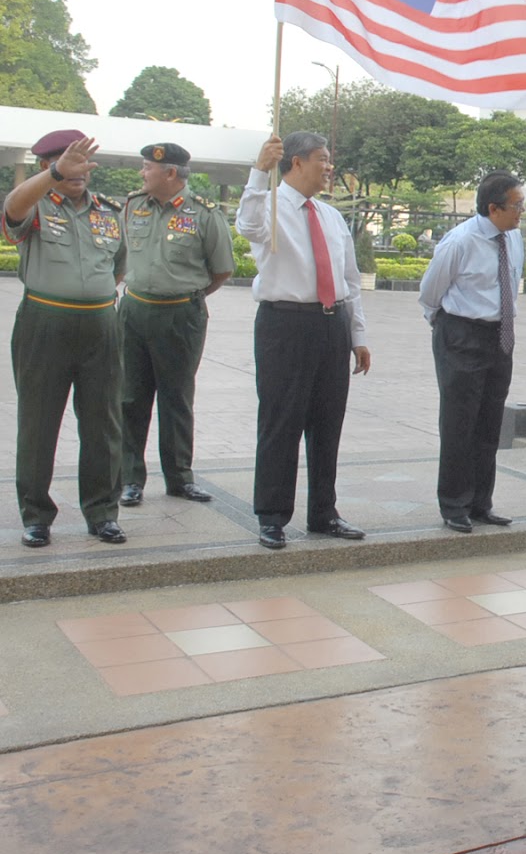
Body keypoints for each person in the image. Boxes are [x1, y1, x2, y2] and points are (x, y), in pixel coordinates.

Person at [234, 132, 371, 550]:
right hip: (285, 326)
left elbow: (349, 279)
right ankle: (272, 515)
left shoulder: (330, 216)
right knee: (281, 422)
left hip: (331, 324)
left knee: (328, 423)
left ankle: (324, 512)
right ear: (295, 162)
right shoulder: (270, 206)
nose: (329, 167)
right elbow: (247, 225)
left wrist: (357, 334)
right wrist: (260, 171)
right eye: (322, 159)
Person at [3, 130, 128, 547]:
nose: (79, 169)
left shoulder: (109, 211)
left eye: (82, 160)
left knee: (103, 422)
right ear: (46, 165)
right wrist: (56, 175)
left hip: (100, 325)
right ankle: (36, 515)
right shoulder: (34, 202)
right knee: (38, 423)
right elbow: (11, 208)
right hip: (45, 321)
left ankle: (102, 512)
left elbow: (118, 266)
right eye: (66, 161)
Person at [117, 143, 234, 509]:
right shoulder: (133, 206)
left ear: (170, 173)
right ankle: (129, 479)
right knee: (130, 398)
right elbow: (118, 257)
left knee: (176, 398)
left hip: (180, 315)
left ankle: (180, 478)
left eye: (147, 168)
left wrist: (185, 296)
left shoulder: (203, 214)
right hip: (134, 311)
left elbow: (221, 270)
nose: (141, 173)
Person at [418, 172, 526, 533]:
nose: (521, 212)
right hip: (462, 334)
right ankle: (454, 504)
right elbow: (431, 292)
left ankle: (482, 502)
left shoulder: (513, 238)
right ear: (493, 208)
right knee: (459, 422)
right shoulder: (460, 241)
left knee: (489, 422)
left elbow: (513, 280)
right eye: (516, 206)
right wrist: (447, 327)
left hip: (500, 336)